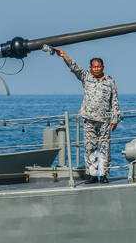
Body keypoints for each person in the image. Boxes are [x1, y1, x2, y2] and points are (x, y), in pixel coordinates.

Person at [47, 45, 121, 184]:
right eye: (94, 67)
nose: (96, 69)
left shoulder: (110, 81)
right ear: (90, 68)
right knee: (90, 147)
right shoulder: (86, 77)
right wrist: (64, 55)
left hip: (105, 119)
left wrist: (115, 118)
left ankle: (104, 174)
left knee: (105, 147)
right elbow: (74, 67)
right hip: (88, 118)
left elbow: (115, 100)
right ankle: (92, 175)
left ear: (103, 67)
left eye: (99, 66)